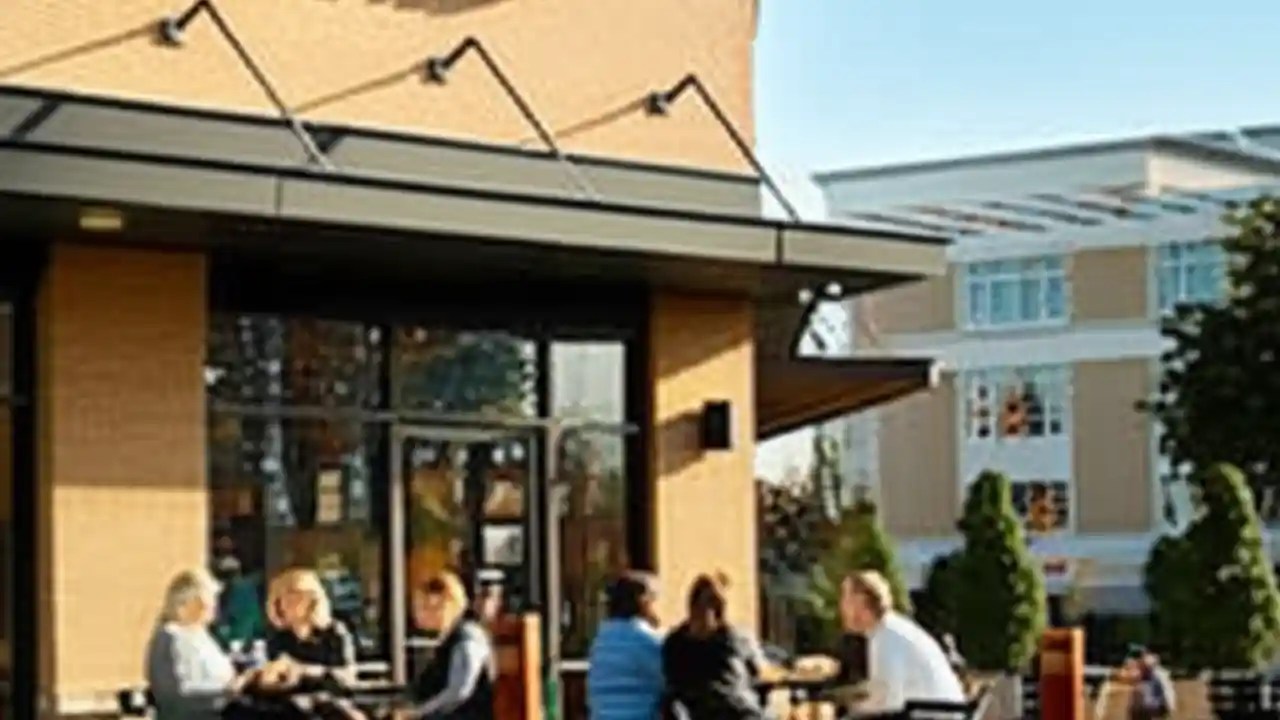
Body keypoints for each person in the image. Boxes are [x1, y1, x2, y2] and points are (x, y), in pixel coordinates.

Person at [839, 571, 966, 715]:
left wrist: (848, 710)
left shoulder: (887, 637)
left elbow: (888, 703)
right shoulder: (889, 630)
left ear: (861, 601)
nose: (841, 607)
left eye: (846, 599)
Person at [145, 568, 258, 720]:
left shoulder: (200, 635)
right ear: (186, 603)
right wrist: (227, 693)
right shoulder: (169, 638)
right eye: (208, 600)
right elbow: (173, 697)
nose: (213, 606)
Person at [661, 573, 765, 720]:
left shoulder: (673, 641)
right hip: (736, 710)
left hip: (691, 712)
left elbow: (669, 679)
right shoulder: (734, 638)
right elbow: (757, 672)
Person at [401, 571, 495, 720]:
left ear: (446, 605)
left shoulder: (467, 637)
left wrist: (417, 713)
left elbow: (459, 691)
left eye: (425, 606)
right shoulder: (450, 639)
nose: (417, 614)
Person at [586, 572, 664, 720]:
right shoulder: (646, 640)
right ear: (644, 602)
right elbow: (674, 674)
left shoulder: (601, 640)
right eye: (654, 599)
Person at [266, 568, 359, 688]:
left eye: (295, 596)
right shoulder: (278, 637)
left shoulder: (334, 632)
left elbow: (347, 676)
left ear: (312, 600)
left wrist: (304, 671)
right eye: (283, 597)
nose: (288, 603)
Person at [1127, 647, 1175, 720]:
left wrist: (1169, 706)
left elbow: (1167, 691)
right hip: (1145, 709)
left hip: (1154, 708)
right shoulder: (1142, 677)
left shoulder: (1159, 675)